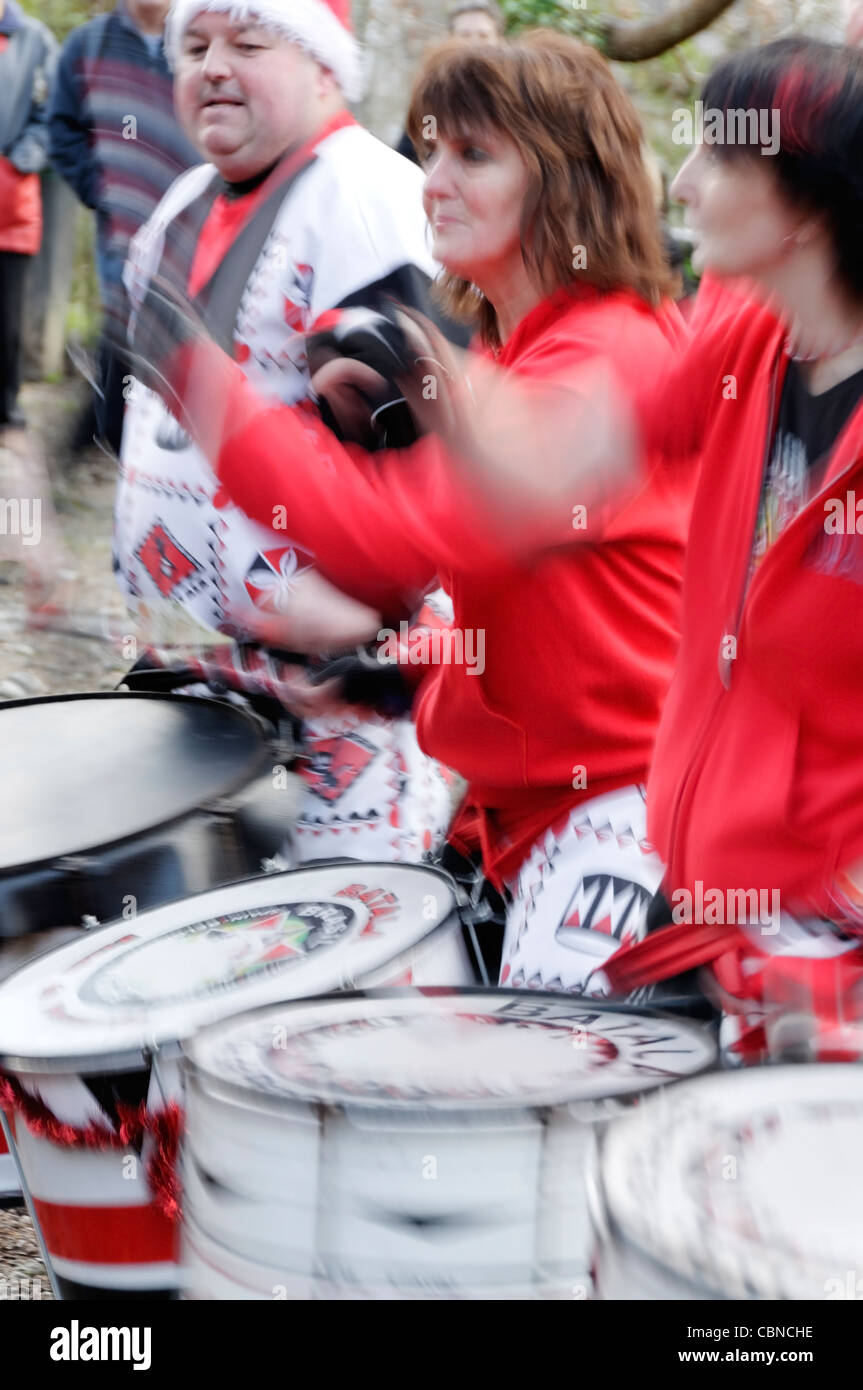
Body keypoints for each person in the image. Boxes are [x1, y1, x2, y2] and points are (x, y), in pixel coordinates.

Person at [132, 31, 697, 992]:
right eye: (430, 148)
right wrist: (399, 673)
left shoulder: (606, 362)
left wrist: (203, 383)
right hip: (526, 819)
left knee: (518, 1118)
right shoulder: (524, 356)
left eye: (472, 155)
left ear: (567, 184)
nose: (430, 178)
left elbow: (386, 542)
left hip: (617, 821)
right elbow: (532, 620)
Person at [113, 0, 460, 866]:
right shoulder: (183, 201)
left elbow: (431, 504)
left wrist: (379, 634)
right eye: (194, 46)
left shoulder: (367, 204)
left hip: (336, 715)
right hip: (198, 686)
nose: (213, 66)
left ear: (323, 66)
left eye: (248, 41)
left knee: (339, 973)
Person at [575, 37, 863, 1063]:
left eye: (714, 156)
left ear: (804, 199)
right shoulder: (745, 341)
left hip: (821, 962)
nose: (680, 183)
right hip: (699, 900)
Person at [48, 1, 199, 455]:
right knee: (124, 332)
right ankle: (112, 444)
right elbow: (62, 130)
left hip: (198, 231)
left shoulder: (200, 40)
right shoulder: (86, 47)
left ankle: (165, 450)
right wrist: (103, 190)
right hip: (122, 233)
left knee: (189, 341)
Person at [0, 0, 57, 429]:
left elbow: (53, 114)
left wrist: (20, 161)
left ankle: (6, 401)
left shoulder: (34, 39)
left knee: (8, 318)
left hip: (11, 204)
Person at [394, 0, 503, 165]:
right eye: (465, 35)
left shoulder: (512, 92)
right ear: (450, 39)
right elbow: (418, 149)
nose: (474, 43)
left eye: (483, 35)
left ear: (498, 40)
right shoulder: (433, 95)